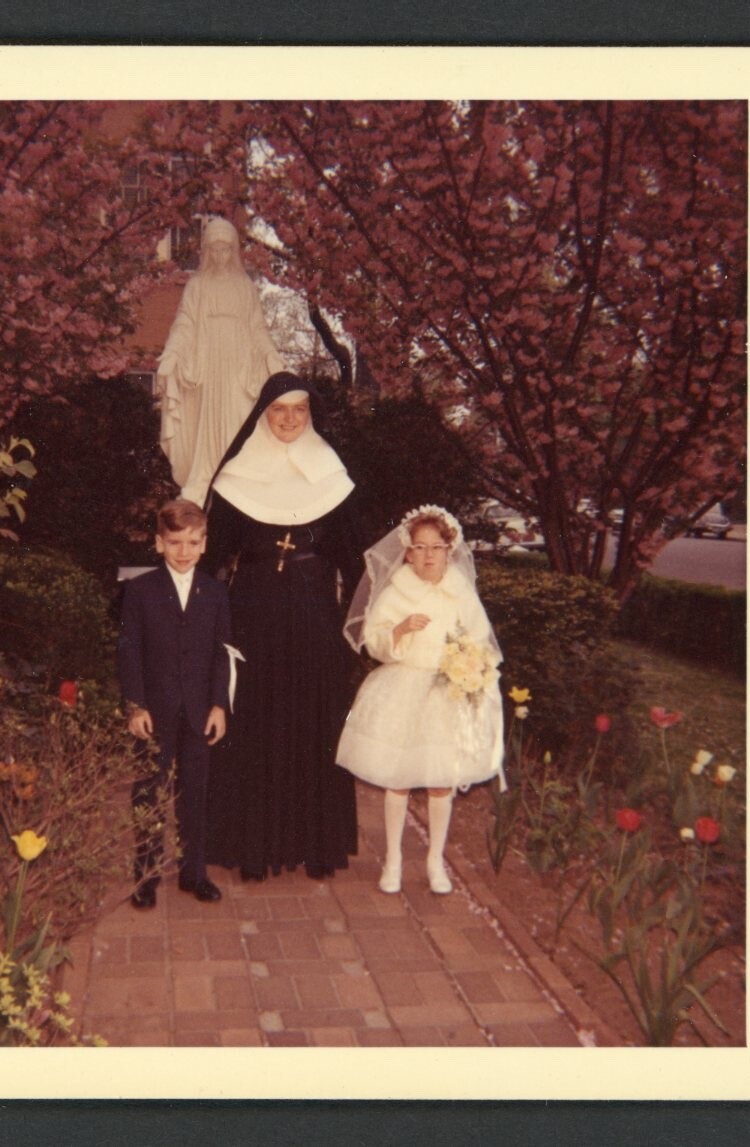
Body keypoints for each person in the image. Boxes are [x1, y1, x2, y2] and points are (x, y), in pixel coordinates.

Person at [204, 372, 365, 881]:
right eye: (279, 411)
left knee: (313, 719)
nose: (289, 419)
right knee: (254, 720)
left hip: (315, 614)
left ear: (311, 415)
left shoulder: (335, 479)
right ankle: (251, 847)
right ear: (263, 415)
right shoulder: (234, 480)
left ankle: (316, 846)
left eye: (299, 410)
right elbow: (212, 561)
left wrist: (366, 627)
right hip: (252, 614)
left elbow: (358, 562)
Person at [337, 506, 506, 894]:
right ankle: (393, 860)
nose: (429, 555)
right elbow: (375, 641)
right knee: (398, 778)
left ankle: (435, 861)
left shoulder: (460, 591)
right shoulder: (398, 590)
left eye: (437, 547)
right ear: (407, 553)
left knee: (439, 781)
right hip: (403, 687)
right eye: (419, 547)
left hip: (446, 694)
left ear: (450, 550)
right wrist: (398, 629)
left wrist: (472, 666)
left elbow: (481, 640)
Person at [117, 499, 234, 909]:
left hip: (200, 710)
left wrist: (219, 705)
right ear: (158, 543)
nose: (183, 552)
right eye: (174, 542)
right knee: (149, 788)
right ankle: (146, 873)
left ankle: (194, 871)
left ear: (204, 544)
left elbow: (221, 653)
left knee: (195, 790)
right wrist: (136, 706)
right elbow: (129, 653)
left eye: (192, 542)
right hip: (156, 710)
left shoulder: (215, 592)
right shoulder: (140, 590)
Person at [157, 216, 285, 507]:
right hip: (208, 362)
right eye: (214, 249)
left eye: (225, 249)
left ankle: (237, 480)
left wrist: (270, 355)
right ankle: (204, 479)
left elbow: (257, 329)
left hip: (239, 364)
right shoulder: (197, 285)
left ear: (233, 251)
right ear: (206, 252)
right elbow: (185, 323)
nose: (219, 255)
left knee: (239, 419)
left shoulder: (245, 287)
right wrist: (173, 353)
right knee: (208, 420)